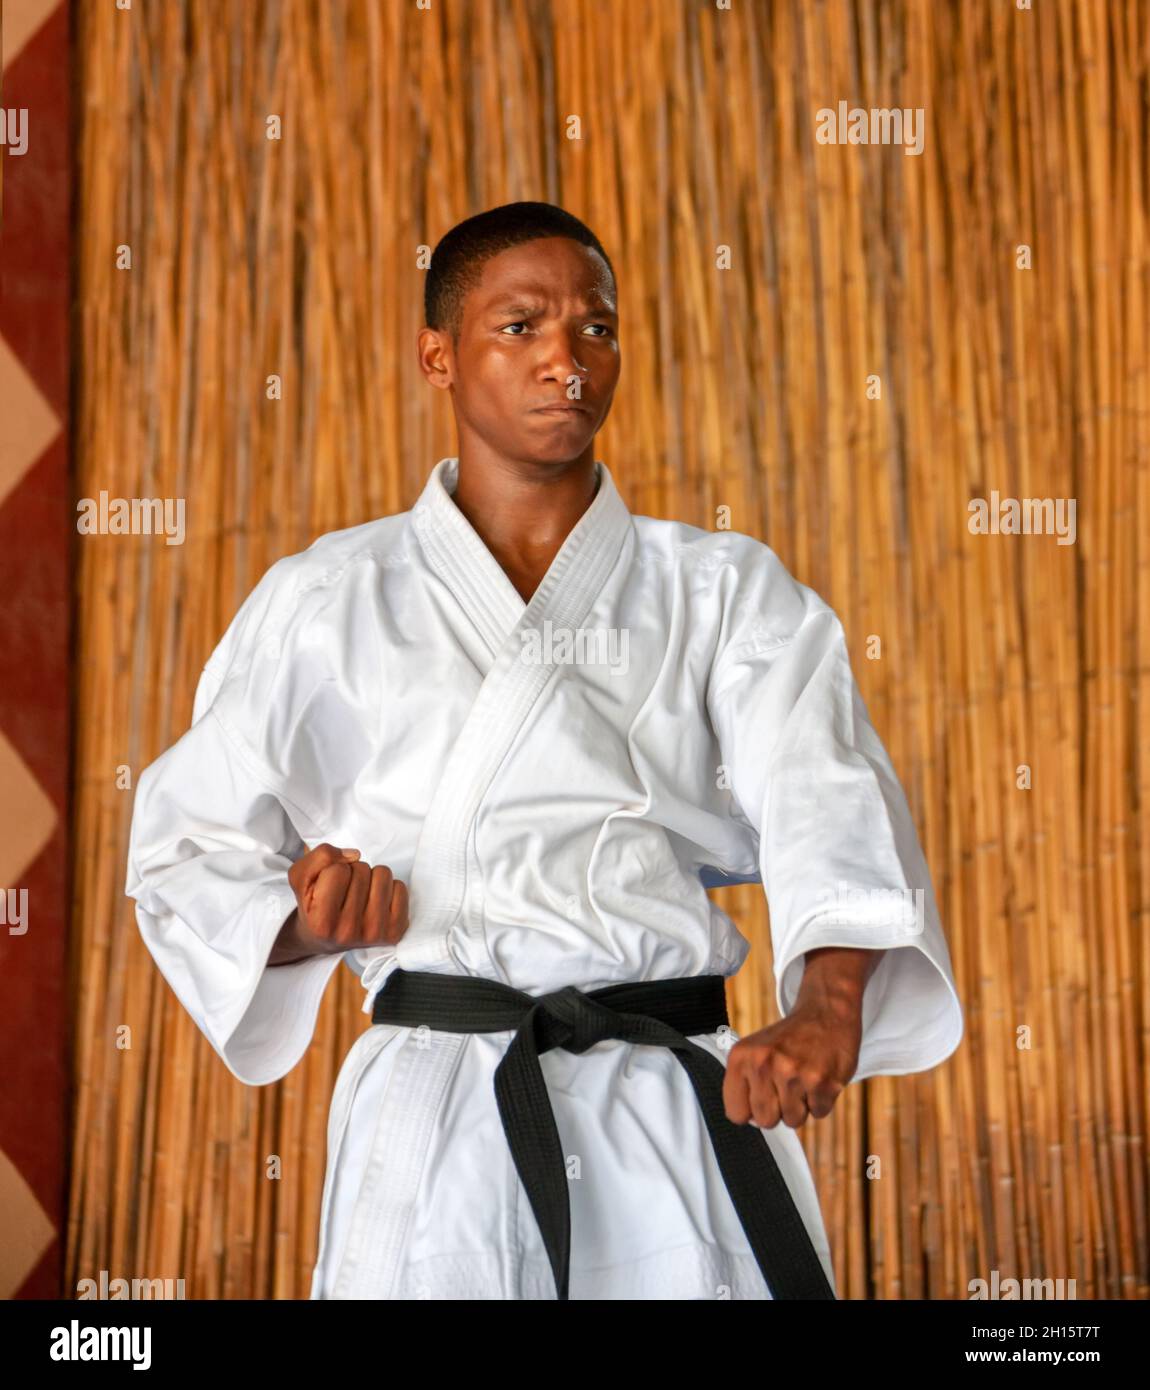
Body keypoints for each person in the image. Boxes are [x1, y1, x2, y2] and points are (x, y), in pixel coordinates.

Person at [124, 200, 963, 1300]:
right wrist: (298, 922)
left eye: (595, 328)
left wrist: (827, 1008)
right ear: (438, 355)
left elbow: (828, 797)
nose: (566, 358)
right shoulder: (325, 600)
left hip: (672, 1105)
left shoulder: (718, 590)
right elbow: (184, 850)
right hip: (437, 1110)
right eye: (520, 326)